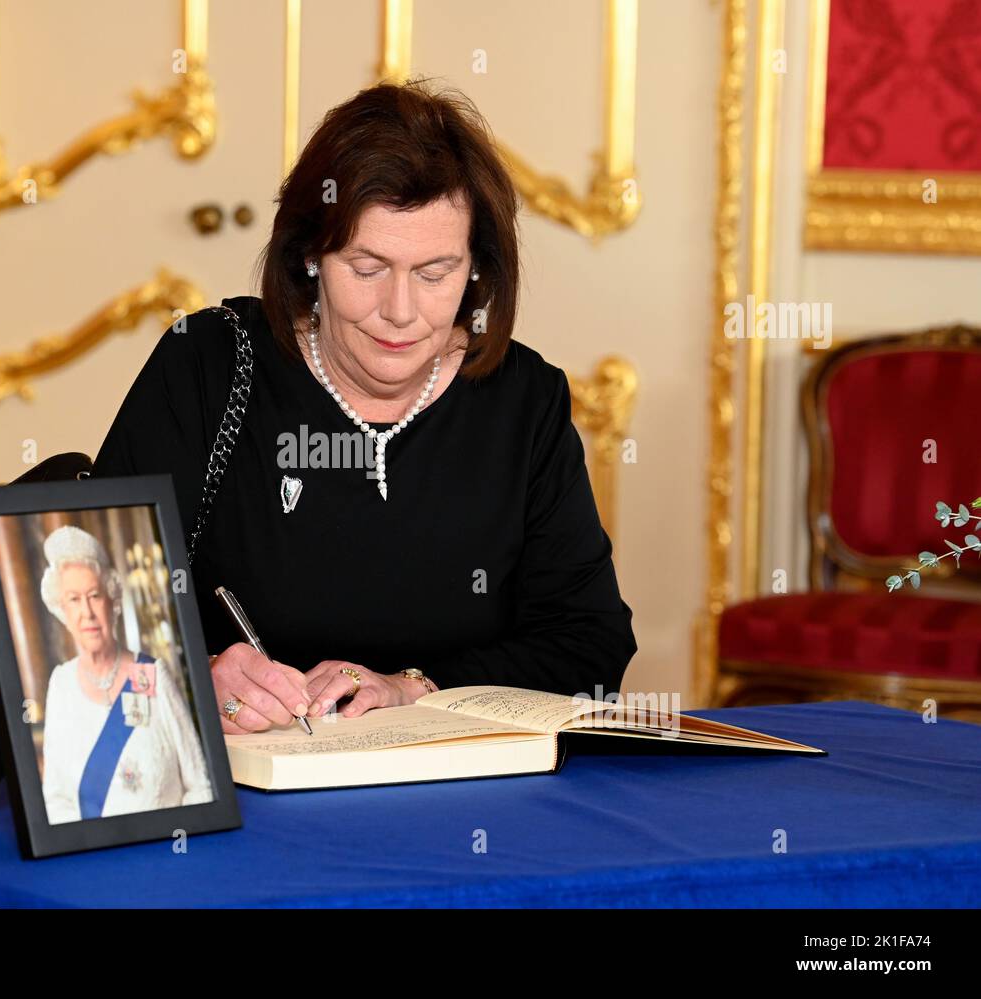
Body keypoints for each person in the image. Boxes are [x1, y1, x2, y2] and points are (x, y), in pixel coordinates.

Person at [94, 78, 637, 735]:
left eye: (435, 273)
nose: (401, 312)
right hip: (247, 790)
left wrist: (414, 689)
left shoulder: (523, 401)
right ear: (310, 256)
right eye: (367, 266)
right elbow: (85, 610)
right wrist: (194, 675)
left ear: (477, 271)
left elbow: (589, 644)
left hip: (453, 797)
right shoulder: (208, 364)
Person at [38, 525, 213, 822]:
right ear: (62, 613)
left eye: (94, 595)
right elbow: (56, 800)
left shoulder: (151, 673)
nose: (87, 613)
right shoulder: (61, 684)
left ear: (114, 602)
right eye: (73, 600)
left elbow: (200, 786)